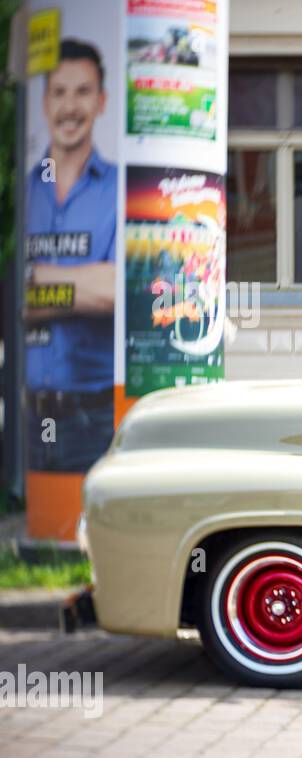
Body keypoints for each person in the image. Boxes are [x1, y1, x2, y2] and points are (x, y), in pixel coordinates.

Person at [25, 38, 118, 474]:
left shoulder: (119, 188)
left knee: (85, 537)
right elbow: (13, 298)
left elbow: (116, 291)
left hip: (93, 415)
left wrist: (37, 281)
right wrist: (85, 282)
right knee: (32, 533)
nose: (70, 107)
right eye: (59, 92)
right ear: (45, 102)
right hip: (26, 413)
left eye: (82, 92)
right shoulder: (25, 191)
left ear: (100, 102)